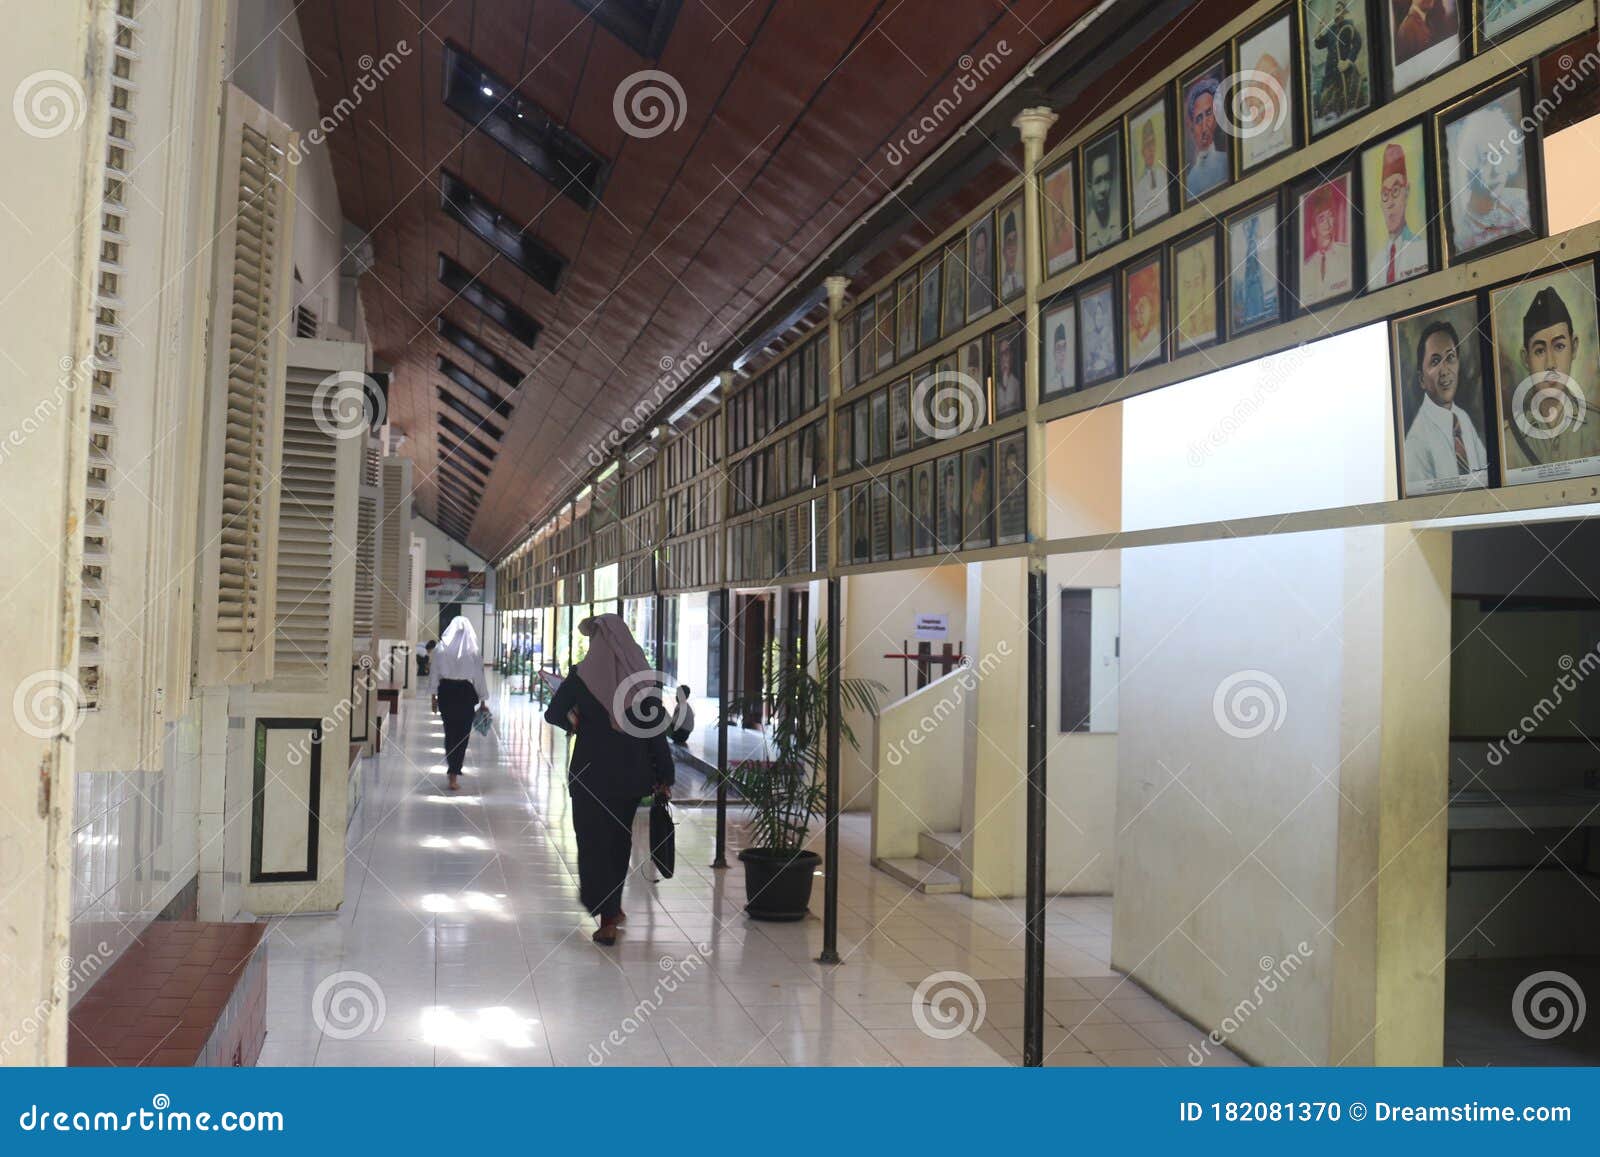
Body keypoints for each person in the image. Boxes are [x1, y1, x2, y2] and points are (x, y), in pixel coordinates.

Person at [544, 615, 675, 945]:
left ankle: (607, 914)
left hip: (589, 774)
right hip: (630, 776)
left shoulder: (580, 677)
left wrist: (576, 722)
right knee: (618, 841)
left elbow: (554, 712)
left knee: (592, 843)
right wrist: (665, 776)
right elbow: (656, 732)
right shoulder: (645, 681)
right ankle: (611, 912)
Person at [1506, 286, 1600, 471]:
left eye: (1559, 347)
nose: (1550, 363)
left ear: (1574, 347)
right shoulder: (1509, 440)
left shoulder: (1596, 426)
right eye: (1539, 351)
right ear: (1526, 358)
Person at [1402, 320, 1487, 489]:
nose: (1445, 370)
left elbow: (1487, 474)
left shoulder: (1462, 418)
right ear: (1421, 379)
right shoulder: (1416, 444)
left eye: (1450, 358)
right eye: (1435, 362)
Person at [429, 617, 490, 792]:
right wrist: (483, 700)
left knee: (450, 732)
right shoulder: (473, 652)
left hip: (446, 693)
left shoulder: (441, 650)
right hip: (465, 694)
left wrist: (433, 698)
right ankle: (454, 771)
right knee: (462, 735)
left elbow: (434, 675)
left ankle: (452, 771)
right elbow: (479, 678)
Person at [1370, 142, 1428, 289]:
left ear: (1406, 192)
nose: (1390, 202)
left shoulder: (1423, 251)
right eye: (1385, 194)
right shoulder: (1375, 266)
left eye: (1395, 190)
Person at [1312, 0, 1365, 124]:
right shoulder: (1331, 29)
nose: (1337, 12)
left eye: (1339, 9)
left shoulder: (1349, 26)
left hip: (1345, 72)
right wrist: (1319, 28)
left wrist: (1348, 61)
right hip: (1331, 73)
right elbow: (1318, 44)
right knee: (1326, 105)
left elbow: (1358, 43)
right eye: (1335, 10)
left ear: (1344, 12)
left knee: (1349, 104)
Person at [1299, 183, 1350, 303]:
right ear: (1313, 229)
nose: (1328, 223)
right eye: (1321, 219)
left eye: (1330, 216)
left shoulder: (1347, 254)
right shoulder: (1306, 267)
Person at [1184, 75, 1228, 199]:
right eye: (1199, 118)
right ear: (1192, 129)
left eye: (1208, 113)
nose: (1204, 125)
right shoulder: (1189, 183)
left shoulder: (1227, 163)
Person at [1085, 145, 1120, 252]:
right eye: (1098, 181)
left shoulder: (1120, 221)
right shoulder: (1085, 235)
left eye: (1107, 178)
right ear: (1089, 188)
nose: (1104, 188)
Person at [999, 212, 1023, 299]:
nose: (1013, 249)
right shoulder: (1001, 289)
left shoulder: (1023, 279)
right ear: (1003, 251)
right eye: (1009, 243)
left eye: (1015, 242)